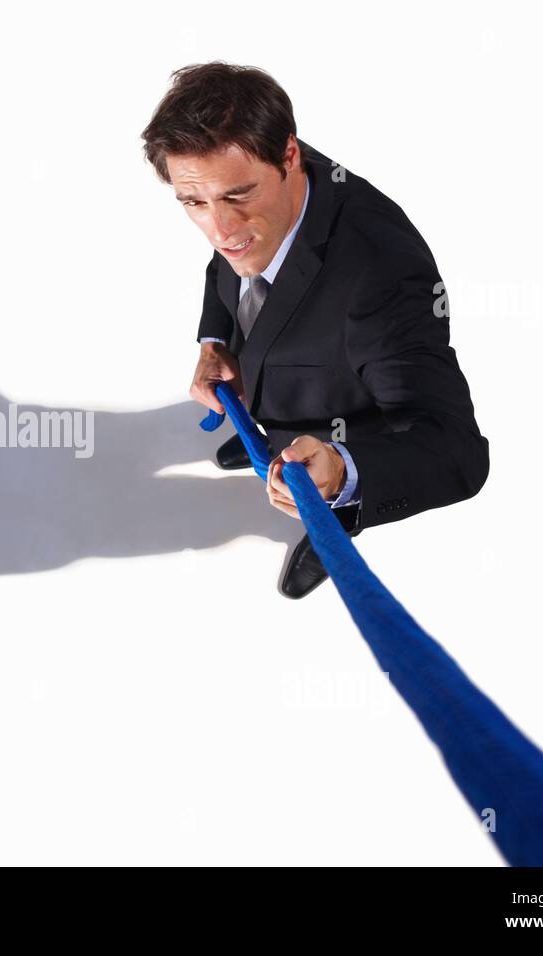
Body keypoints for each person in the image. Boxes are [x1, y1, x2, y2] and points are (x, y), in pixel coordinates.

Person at [141, 62, 490, 598]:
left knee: (336, 490)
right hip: (283, 395)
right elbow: (224, 262)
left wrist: (342, 471)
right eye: (194, 203)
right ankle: (268, 433)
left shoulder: (383, 276)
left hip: (340, 438)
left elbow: (458, 454)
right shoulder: (246, 173)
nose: (219, 227)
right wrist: (213, 342)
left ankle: (337, 522)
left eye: (236, 197)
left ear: (289, 157)